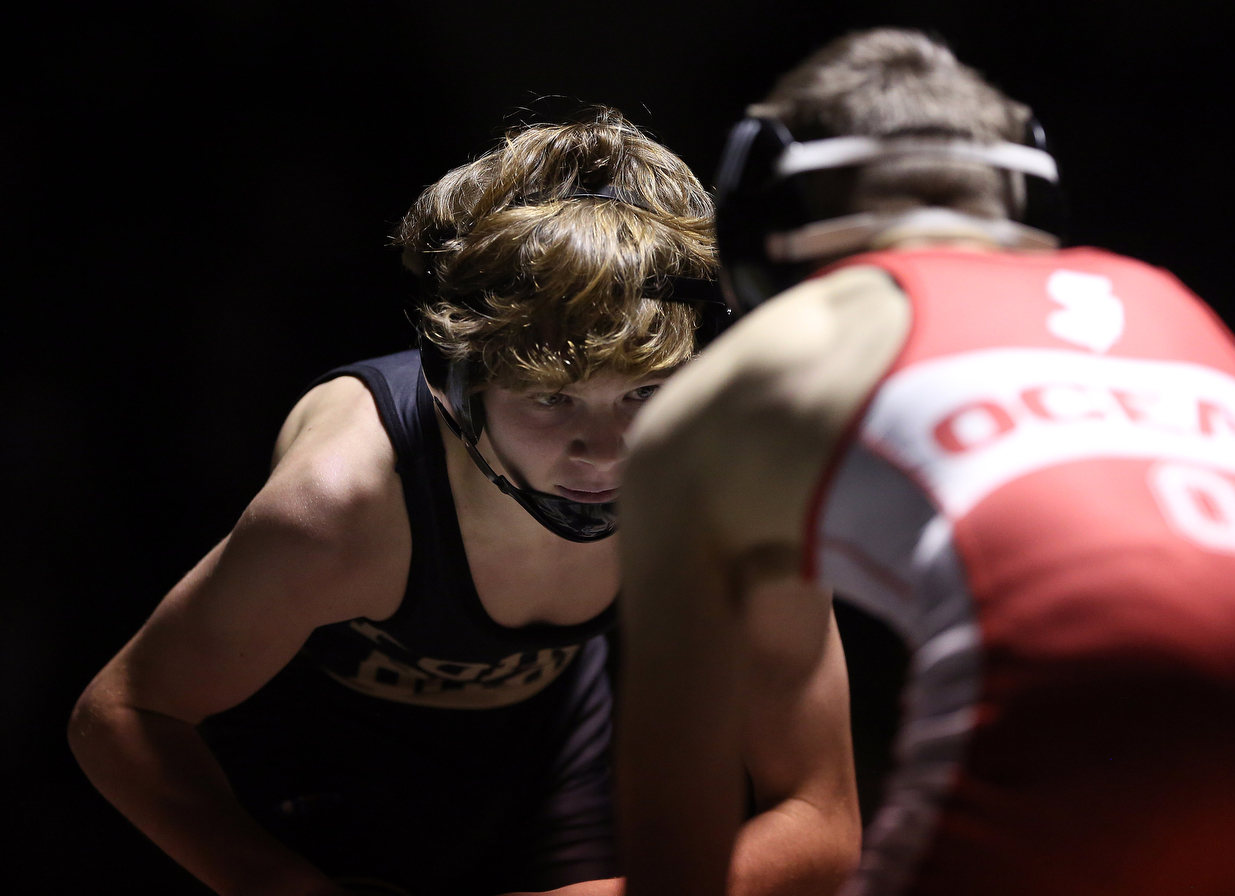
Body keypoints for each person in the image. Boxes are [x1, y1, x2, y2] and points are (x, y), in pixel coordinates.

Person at [616, 30, 1235, 896]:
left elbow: (674, 863)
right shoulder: (1208, 335)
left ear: (760, 209)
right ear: (1023, 193)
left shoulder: (767, 362)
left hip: (1084, 691)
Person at [68, 109, 860, 896]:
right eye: (552, 400)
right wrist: (280, 886)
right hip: (308, 767)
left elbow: (822, 818)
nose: (606, 451)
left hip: (544, 752)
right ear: (457, 391)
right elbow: (124, 713)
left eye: (646, 393)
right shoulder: (339, 505)